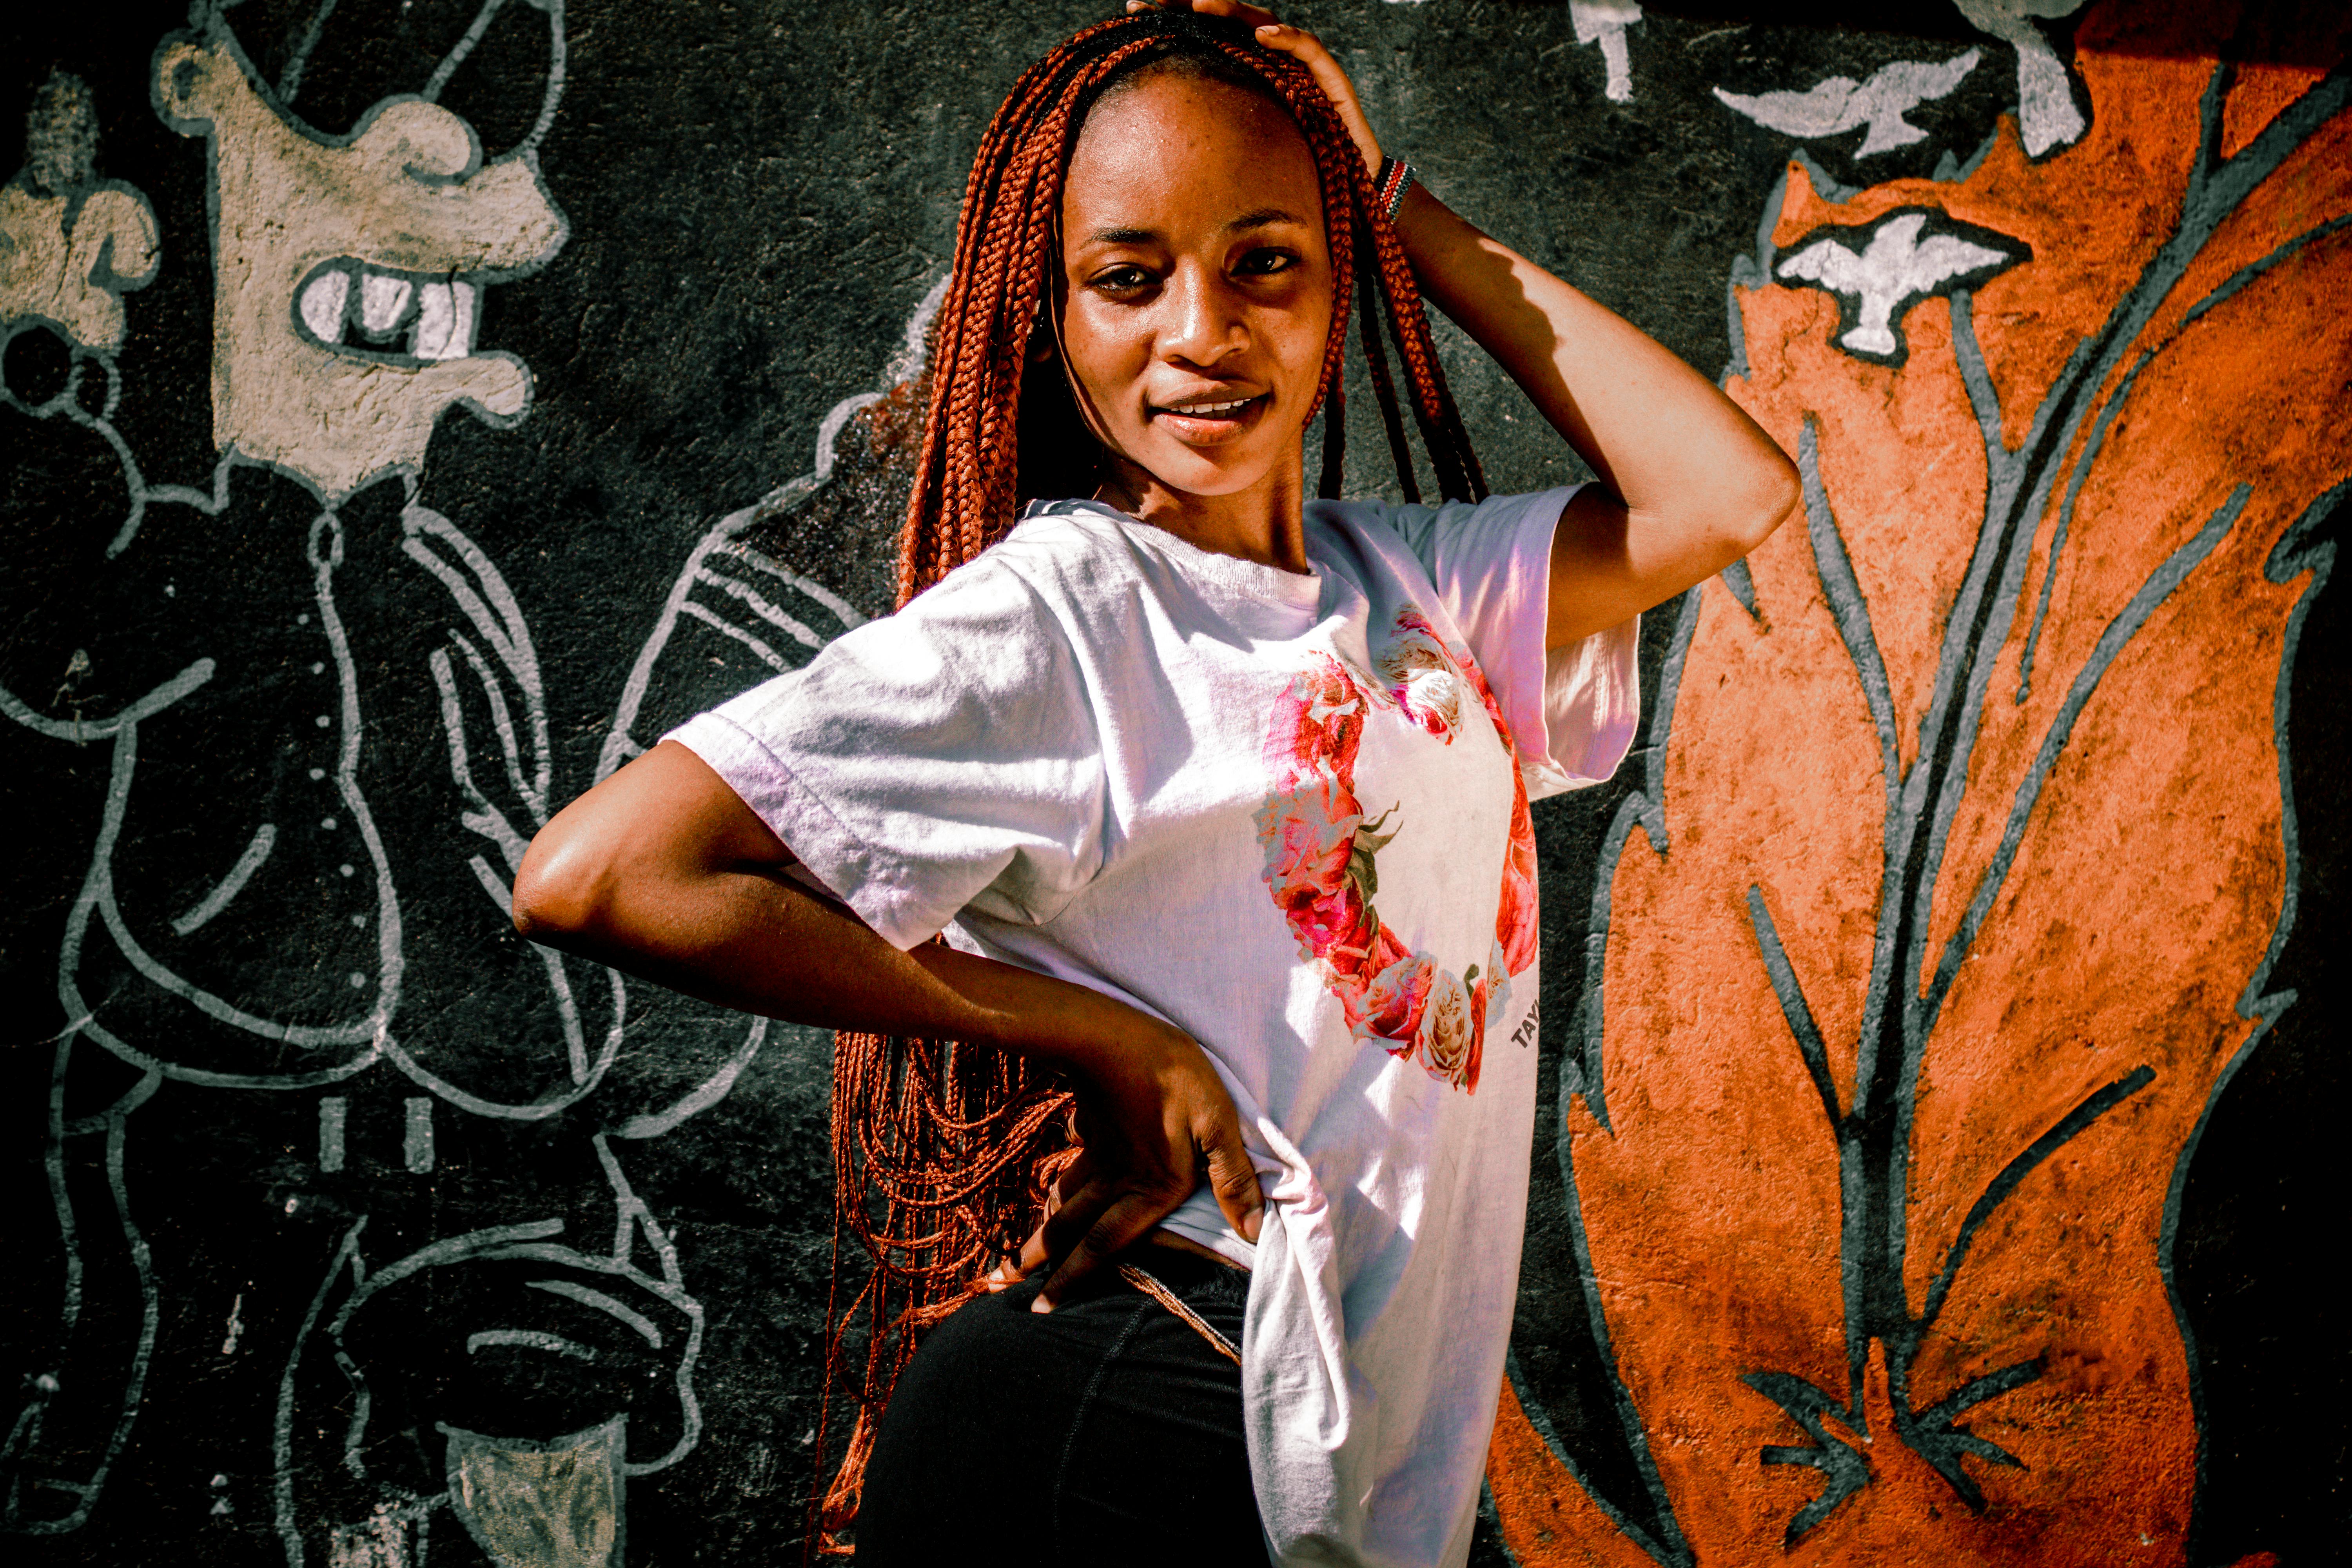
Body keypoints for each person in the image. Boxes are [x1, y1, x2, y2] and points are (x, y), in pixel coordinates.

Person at [511, 3, 1796, 1563]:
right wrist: (1095, 1033)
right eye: (1130, 278)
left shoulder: (1423, 588)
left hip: (1310, 1425)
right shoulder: (1064, 612)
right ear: (1053, 316)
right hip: (1139, 1388)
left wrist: (1398, 207)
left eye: (1269, 260)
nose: (1204, 329)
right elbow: (599, 871)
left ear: (1340, 291)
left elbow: (1729, 491)